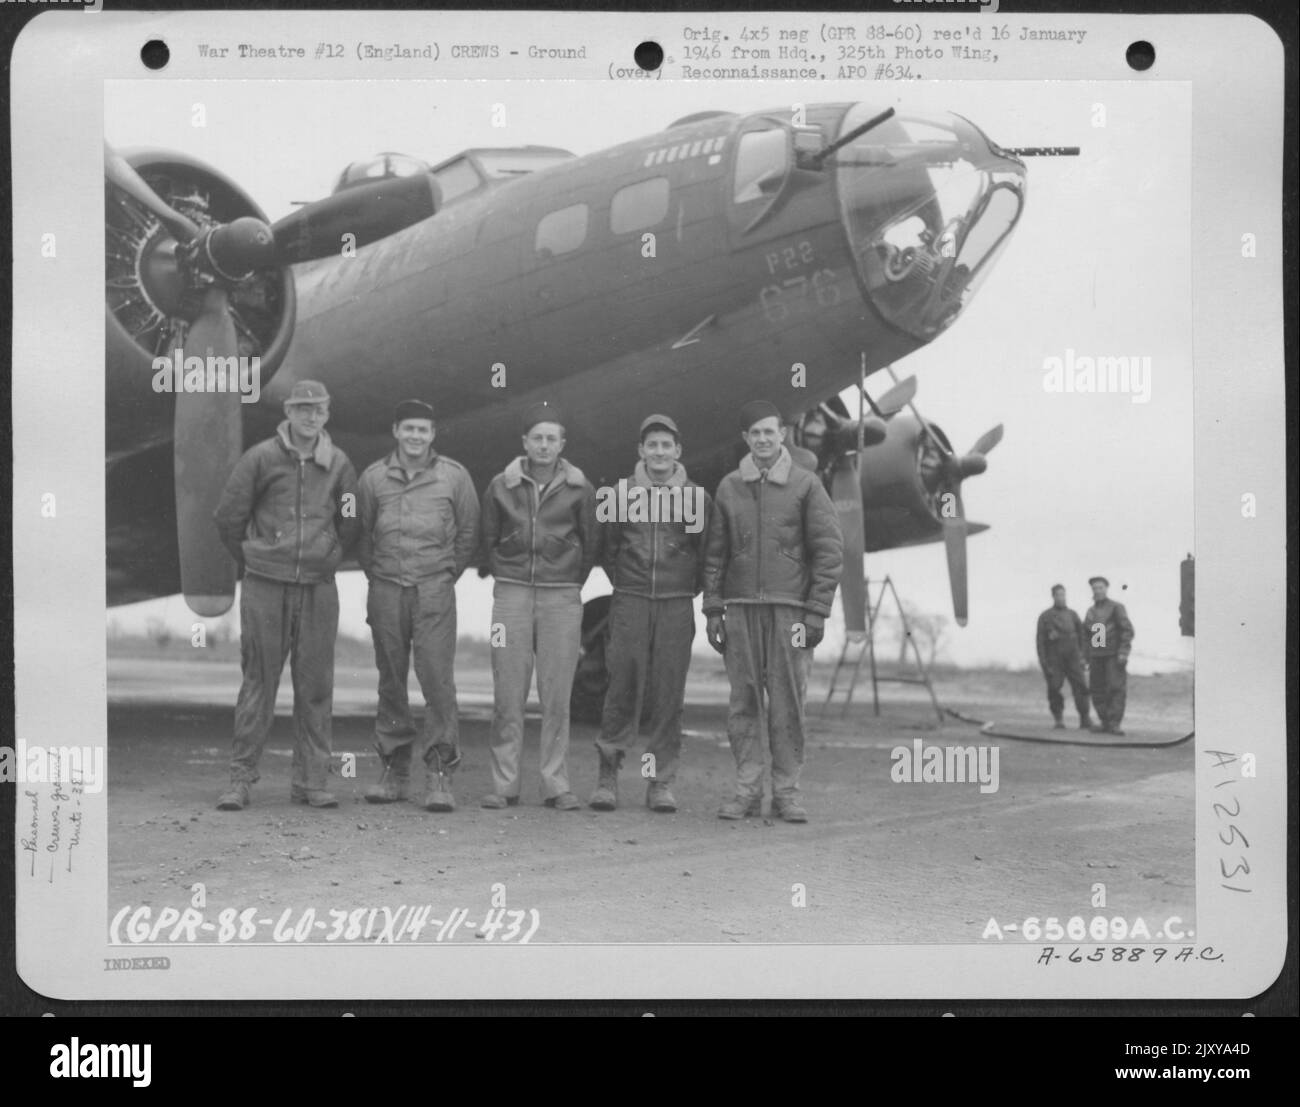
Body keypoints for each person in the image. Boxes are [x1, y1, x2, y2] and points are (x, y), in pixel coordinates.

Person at [212, 380, 359, 810]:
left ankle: (312, 783)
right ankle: (240, 781)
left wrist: (329, 555)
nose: (311, 417)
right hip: (265, 584)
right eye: (302, 409)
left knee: (315, 686)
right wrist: (257, 556)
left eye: (318, 410)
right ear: (289, 413)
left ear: (327, 415)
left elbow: (351, 517)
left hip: (318, 587)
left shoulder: (340, 465)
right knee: (259, 681)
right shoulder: (260, 458)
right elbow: (228, 516)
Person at [702, 400, 844, 823]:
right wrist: (713, 610)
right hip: (741, 610)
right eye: (755, 433)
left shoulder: (806, 485)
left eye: (770, 431)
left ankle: (787, 793)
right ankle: (747, 791)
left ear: (782, 434)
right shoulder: (729, 487)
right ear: (746, 439)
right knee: (742, 704)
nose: (763, 439)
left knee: (788, 705)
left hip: (791, 614)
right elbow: (714, 555)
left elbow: (829, 550)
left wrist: (816, 611)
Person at [357, 399, 480, 812]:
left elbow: (468, 534)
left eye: (422, 430)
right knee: (391, 680)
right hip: (387, 588)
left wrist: (443, 575)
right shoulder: (373, 478)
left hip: (433, 590)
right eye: (408, 428)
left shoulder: (454, 477)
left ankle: (440, 774)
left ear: (433, 435)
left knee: (436, 681)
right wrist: (381, 577)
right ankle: (394, 772)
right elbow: (362, 534)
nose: (415, 436)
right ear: (395, 431)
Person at [589, 414, 711, 813]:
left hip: (676, 604)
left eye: (666, 446)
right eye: (652, 445)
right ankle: (607, 776)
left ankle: (659, 783)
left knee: (667, 695)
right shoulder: (618, 495)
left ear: (678, 451)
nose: (659, 453)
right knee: (620, 688)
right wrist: (630, 583)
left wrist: (680, 590)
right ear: (641, 451)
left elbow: (705, 551)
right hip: (630, 601)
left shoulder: (696, 498)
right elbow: (606, 551)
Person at [479, 402, 598, 810]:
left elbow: (591, 542)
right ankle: (504, 784)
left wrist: (567, 582)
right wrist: (506, 569)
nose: (544, 445)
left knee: (557, 695)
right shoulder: (500, 485)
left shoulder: (581, 488)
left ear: (562, 444)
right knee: (507, 692)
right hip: (510, 594)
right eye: (537, 438)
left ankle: (555, 784)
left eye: (552, 439)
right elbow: (488, 536)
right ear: (524, 443)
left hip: (562, 596)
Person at [1035, 584, 1092, 730]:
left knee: (1081, 687)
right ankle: (1058, 719)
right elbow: (1040, 642)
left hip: (1073, 657)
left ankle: (1085, 718)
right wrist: (1044, 663)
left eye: (1063, 595)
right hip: (1054, 659)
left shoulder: (1073, 615)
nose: (1061, 598)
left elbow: (1083, 635)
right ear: (1053, 596)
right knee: (1054, 688)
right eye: (1058, 595)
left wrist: (1083, 656)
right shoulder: (1045, 617)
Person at [1084, 575, 1135, 735]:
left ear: (1106, 589)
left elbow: (1127, 630)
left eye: (1100, 587)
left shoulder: (1116, 607)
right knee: (1097, 689)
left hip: (1113, 655)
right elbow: (1086, 635)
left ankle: (1115, 723)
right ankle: (1105, 722)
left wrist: (1123, 652)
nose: (1097, 591)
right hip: (1096, 656)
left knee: (1115, 688)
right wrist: (1085, 657)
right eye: (1094, 588)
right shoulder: (1091, 611)